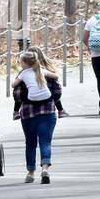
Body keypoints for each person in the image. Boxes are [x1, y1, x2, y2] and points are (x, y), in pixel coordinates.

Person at [13, 51, 60, 184]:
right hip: (48, 112)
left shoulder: (22, 75)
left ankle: (30, 172)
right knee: (45, 142)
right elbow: (57, 91)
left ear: (25, 63)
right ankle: (45, 169)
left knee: (30, 143)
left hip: (28, 114)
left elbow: (17, 95)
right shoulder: (44, 72)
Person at [28, 45, 65, 117]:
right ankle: (61, 110)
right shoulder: (47, 69)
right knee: (52, 90)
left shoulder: (39, 70)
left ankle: (60, 110)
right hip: (50, 94)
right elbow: (57, 88)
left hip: (42, 94)